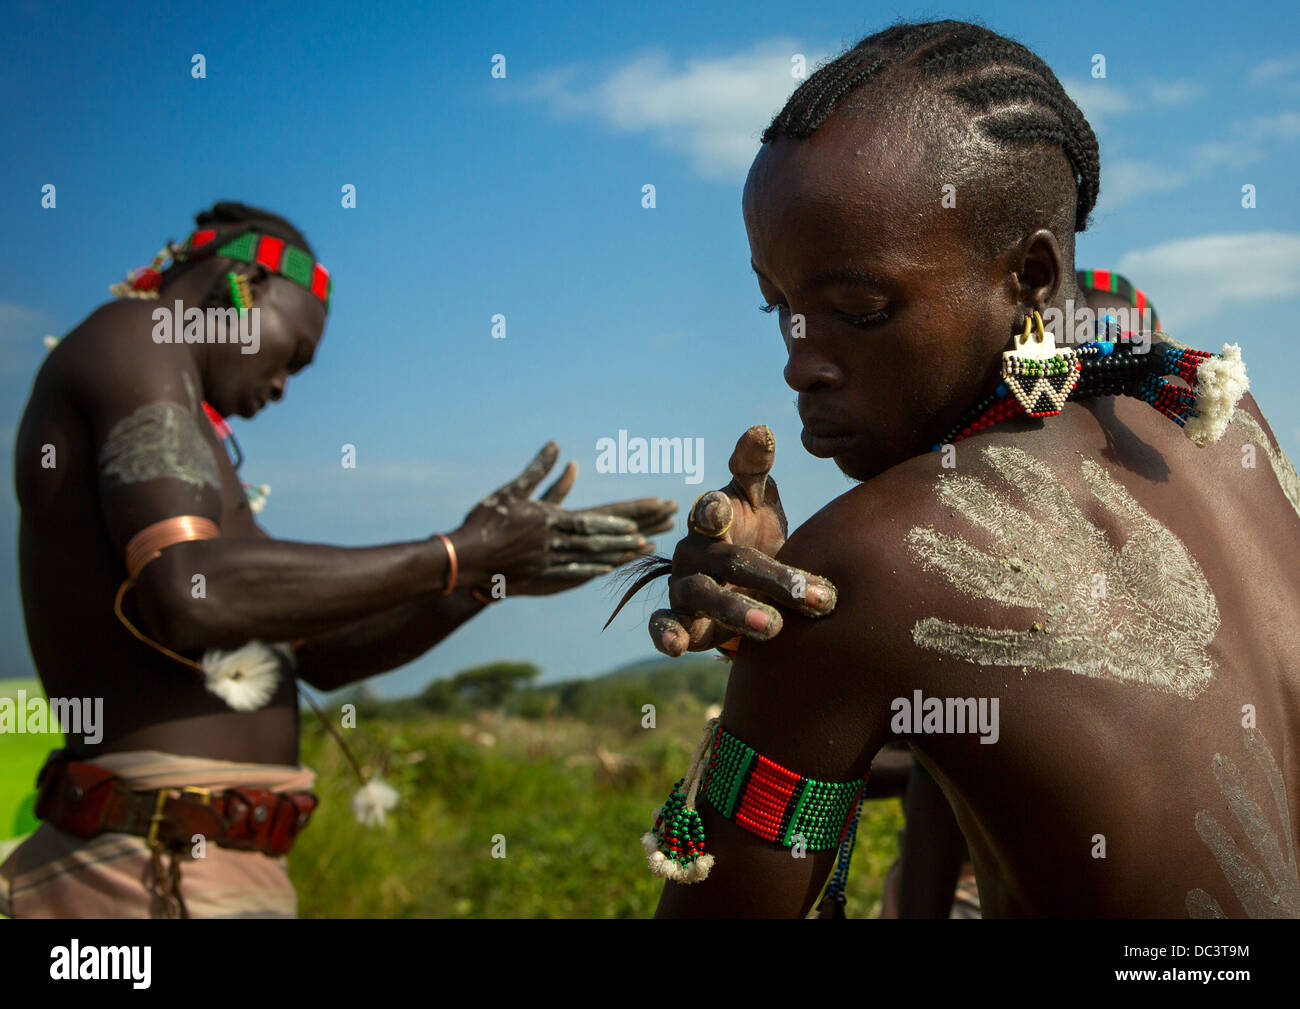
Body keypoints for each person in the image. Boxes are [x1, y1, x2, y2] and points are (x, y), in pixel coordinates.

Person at [633, 21, 1299, 917]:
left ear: (1030, 273)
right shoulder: (1224, 423)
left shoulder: (860, 569)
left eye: (859, 309)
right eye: (780, 307)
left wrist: (783, 646)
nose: (800, 362)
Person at [2, 201, 676, 918]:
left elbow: (313, 654)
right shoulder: (134, 336)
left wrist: (480, 581)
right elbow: (189, 592)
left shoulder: (192, 437)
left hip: (203, 872)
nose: (285, 384)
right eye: (294, 353)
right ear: (245, 282)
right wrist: (458, 553)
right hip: (145, 874)